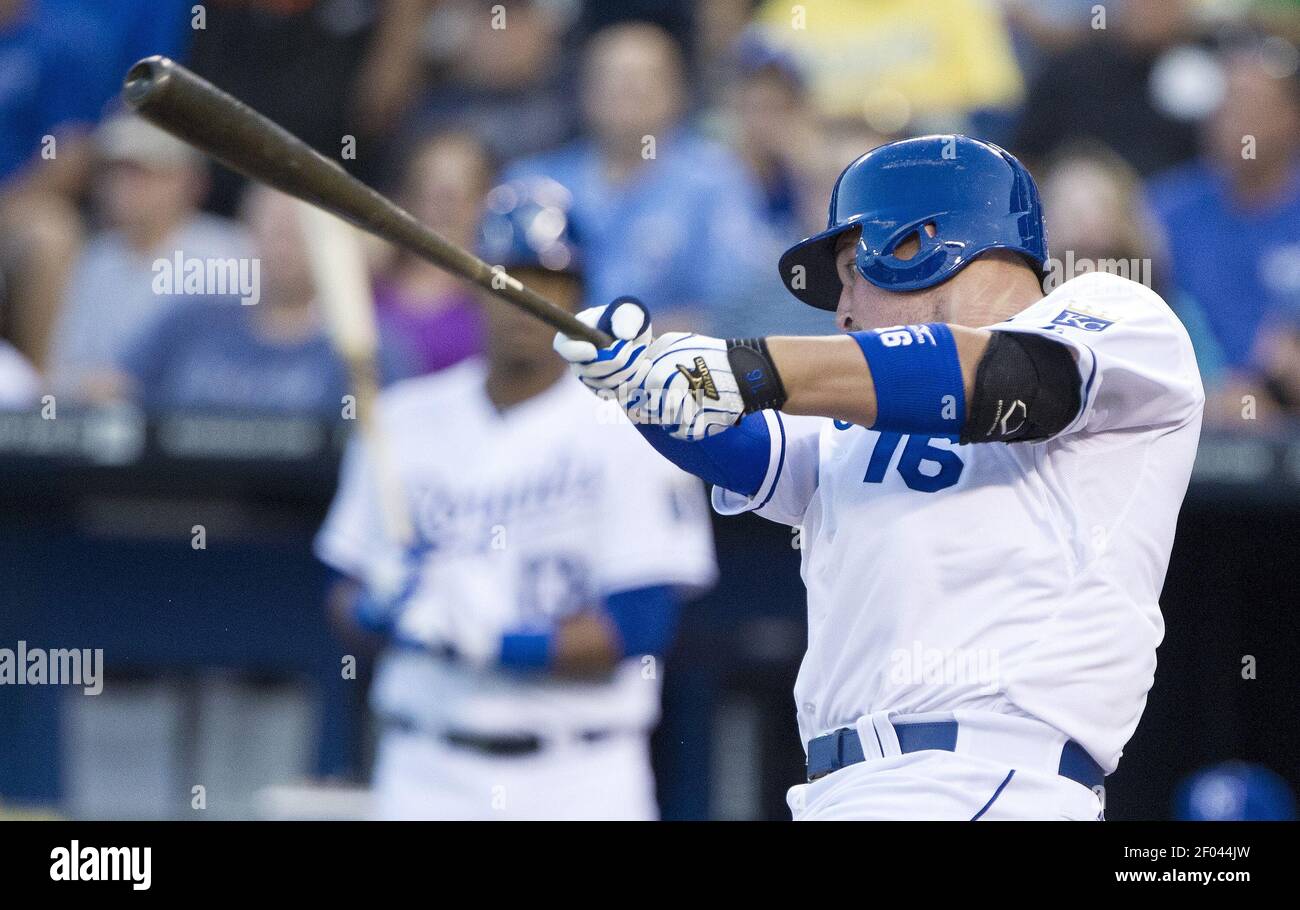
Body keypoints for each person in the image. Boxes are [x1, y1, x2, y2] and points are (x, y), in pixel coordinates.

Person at [555, 135, 1205, 820]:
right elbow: (747, 449)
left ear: (917, 244)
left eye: (850, 273)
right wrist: (635, 384)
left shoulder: (1115, 315)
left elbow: (1008, 377)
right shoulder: (855, 406)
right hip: (842, 788)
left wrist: (744, 367)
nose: (841, 313)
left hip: (987, 778)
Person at [314, 177, 718, 820]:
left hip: (576, 776)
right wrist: (380, 609)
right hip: (423, 769)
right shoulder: (401, 418)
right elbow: (342, 589)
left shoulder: (629, 426)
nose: (526, 303)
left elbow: (643, 623)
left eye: (548, 284)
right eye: (508, 280)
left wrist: (499, 644)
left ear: (578, 298)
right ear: (475, 288)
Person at [504, 21, 773, 333]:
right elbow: (498, 299)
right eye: (611, 77)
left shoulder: (716, 180)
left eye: (644, 78)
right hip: (552, 369)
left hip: (675, 370)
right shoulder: (534, 182)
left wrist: (622, 344)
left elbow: (738, 306)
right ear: (585, 91)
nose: (627, 89)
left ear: (678, 92)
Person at [1145, 40, 1300, 424]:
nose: (1230, 121)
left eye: (1249, 107)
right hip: (1186, 412)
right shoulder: (1163, 210)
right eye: (1223, 106)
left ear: (1290, 119)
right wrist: (1208, 391)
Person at [47, 114, 250, 401]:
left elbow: (244, 365)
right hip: (101, 425)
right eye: (115, 173)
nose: (124, 187)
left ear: (189, 181)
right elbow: (60, 370)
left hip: (196, 421)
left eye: (142, 173)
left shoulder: (230, 253)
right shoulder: (95, 259)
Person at [118, 186, 354, 414]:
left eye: (297, 235)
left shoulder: (355, 347)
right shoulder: (194, 320)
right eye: (276, 232)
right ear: (249, 234)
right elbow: (116, 386)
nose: (284, 249)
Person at [369, 130, 490, 380]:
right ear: (406, 198)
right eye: (431, 190)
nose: (445, 206)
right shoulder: (367, 283)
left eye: (460, 193)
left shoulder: (494, 302)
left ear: (485, 202)